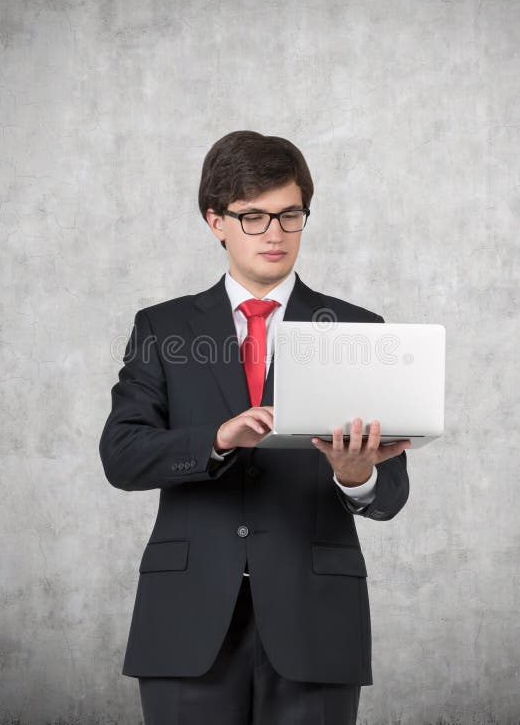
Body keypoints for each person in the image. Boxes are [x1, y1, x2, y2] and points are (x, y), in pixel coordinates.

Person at [99, 130, 411, 724]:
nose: (274, 233)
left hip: (316, 620)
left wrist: (357, 477)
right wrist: (216, 439)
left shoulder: (357, 331)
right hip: (186, 620)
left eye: (290, 214)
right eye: (253, 217)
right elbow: (121, 454)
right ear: (215, 221)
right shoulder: (163, 328)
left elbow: (391, 495)